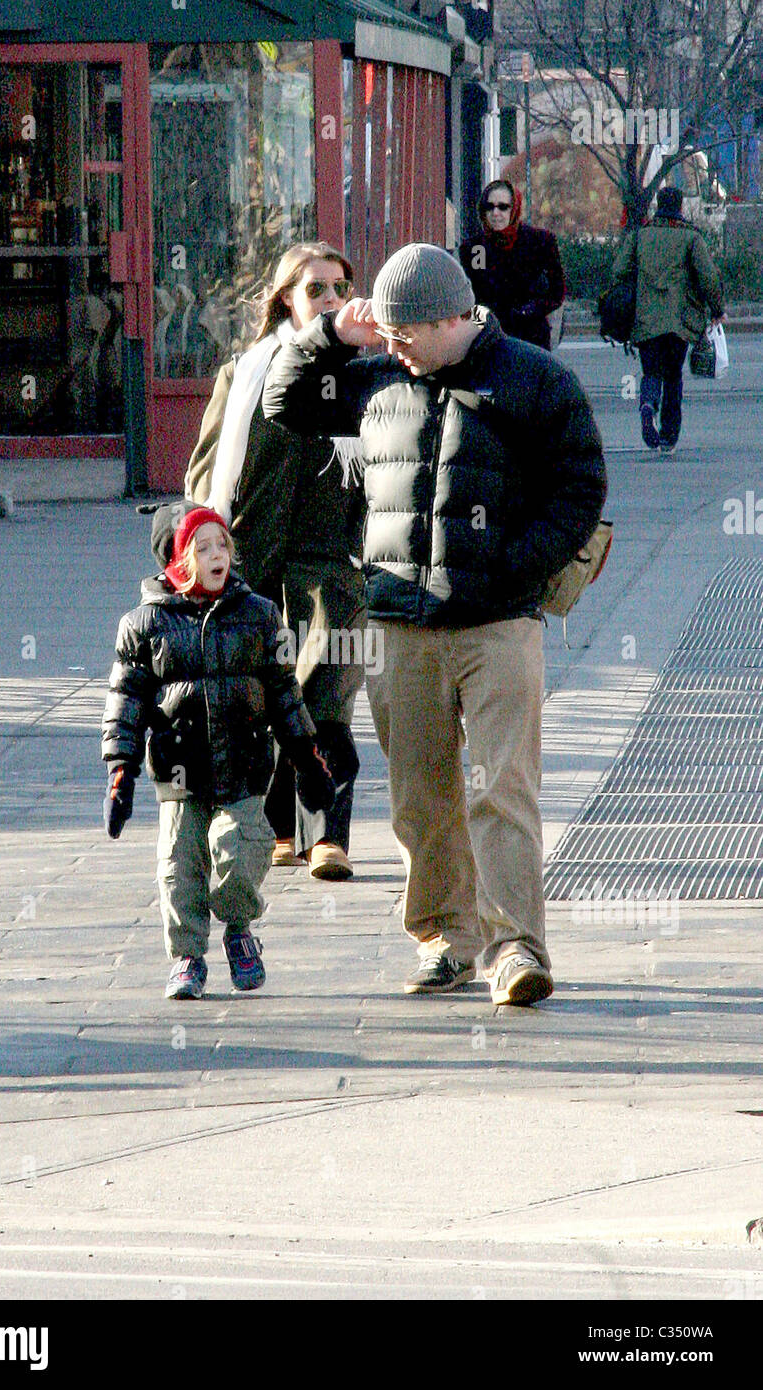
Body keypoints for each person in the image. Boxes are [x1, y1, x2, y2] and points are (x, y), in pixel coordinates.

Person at [263, 243, 606, 1005]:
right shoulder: (379, 375)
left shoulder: (533, 378)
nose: (395, 346)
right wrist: (327, 336)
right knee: (421, 793)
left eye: (405, 333)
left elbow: (580, 485)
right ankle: (444, 937)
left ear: (452, 316)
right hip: (398, 623)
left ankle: (515, 949)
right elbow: (282, 402)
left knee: (501, 788)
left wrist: (514, 566)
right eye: (385, 333)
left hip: (497, 625)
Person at [101, 504, 335, 1001]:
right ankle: (188, 958)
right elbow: (127, 699)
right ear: (178, 560)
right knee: (179, 867)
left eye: (222, 545)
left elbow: (283, 692)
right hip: (180, 773)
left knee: (241, 850)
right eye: (202, 547)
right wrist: (122, 770)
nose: (216, 555)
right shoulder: (146, 624)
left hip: (245, 768)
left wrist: (307, 757)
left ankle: (238, 929)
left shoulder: (258, 614)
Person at [187, 242, 367, 881]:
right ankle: (279, 825)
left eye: (340, 288)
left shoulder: (361, 378)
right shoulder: (243, 375)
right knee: (262, 699)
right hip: (254, 565)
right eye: (315, 288)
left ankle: (329, 835)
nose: (331, 299)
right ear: (285, 298)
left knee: (329, 698)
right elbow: (207, 473)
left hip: (334, 566)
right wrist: (202, 548)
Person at [608, 185, 725, 454]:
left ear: (657, 205)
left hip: (646, 320)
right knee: (673, 376)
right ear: (681, 207)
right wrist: (717, 308)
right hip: (679, 322)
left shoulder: (640, 236)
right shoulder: (691, 238)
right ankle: (668, 437)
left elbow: (619, 271)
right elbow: (708, 277)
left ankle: (648, 405)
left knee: (652, 372)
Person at [458, 180, 566, 350]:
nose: (495, 213)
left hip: (531, 338)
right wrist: (481, 327)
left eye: (503, 207)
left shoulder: (541, 242)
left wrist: (529, 311)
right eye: (490, 207)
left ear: (514, 208)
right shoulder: (474, 247)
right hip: (489, 340)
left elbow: (557, 292)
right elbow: (473, 294)